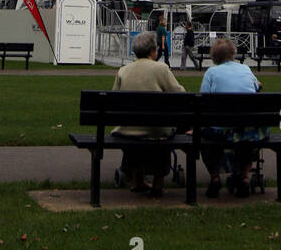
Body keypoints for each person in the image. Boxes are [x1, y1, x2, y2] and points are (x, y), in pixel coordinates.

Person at [111, 31, 185, 195]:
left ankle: (138, 180)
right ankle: (158, 182)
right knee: (161, 129)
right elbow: (180, 96)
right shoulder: (161, 68)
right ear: (153, 51)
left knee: (142, 125)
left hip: (127, 129)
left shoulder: (123, 71)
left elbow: (114, 101)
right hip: (156, 130)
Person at [199, 38, 267, 198]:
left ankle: (215, 176)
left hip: (220, 129)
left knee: (205, 136)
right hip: (247, 128)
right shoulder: (245, 69)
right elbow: (257, 86)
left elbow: (203, 99)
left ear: (214, 57)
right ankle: (244, 176)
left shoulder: (211, 73)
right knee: (247, 137)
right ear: (233, 53)